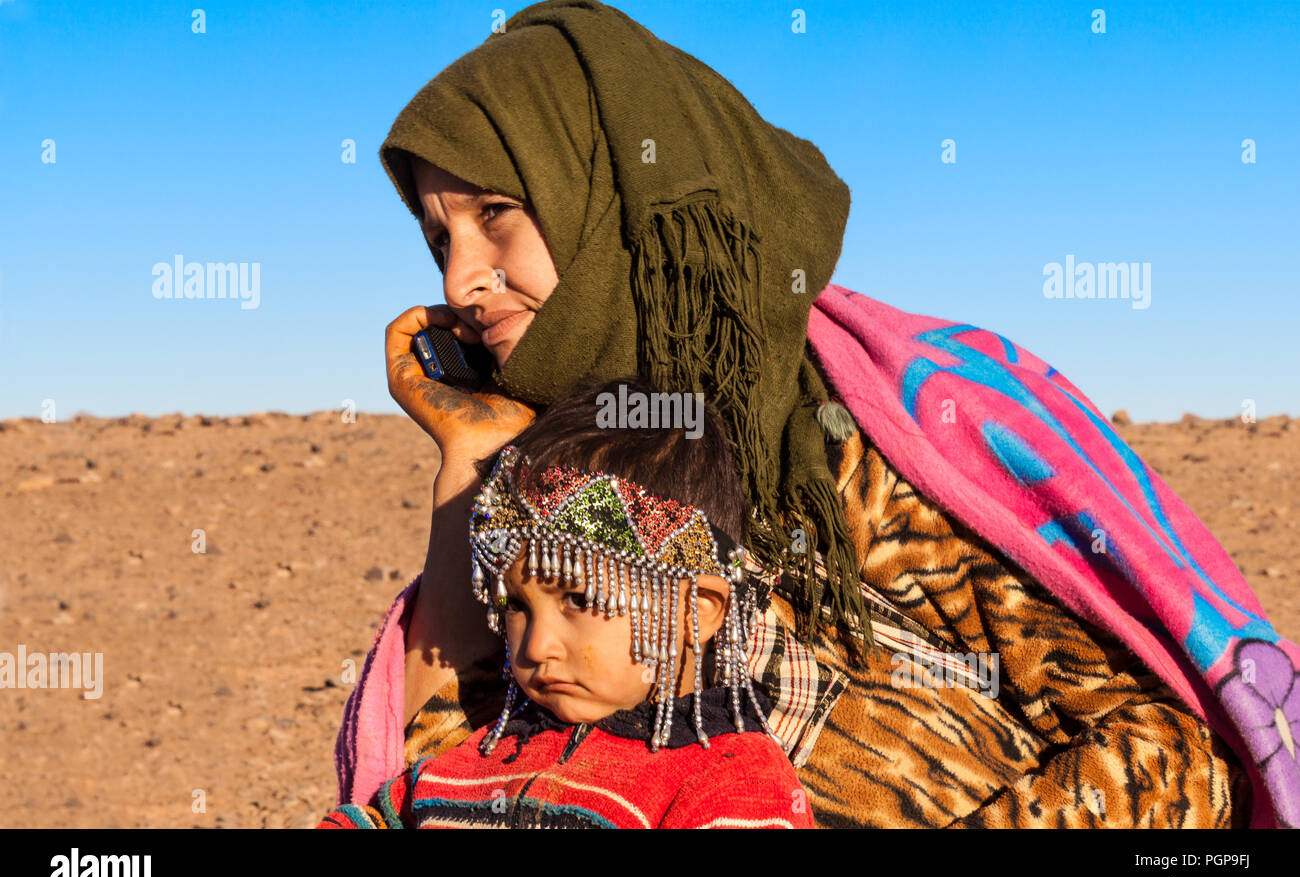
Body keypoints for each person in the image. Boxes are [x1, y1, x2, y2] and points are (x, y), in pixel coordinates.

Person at [335, 0, 1299, 828]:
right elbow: (448, 783)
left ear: (613, 196)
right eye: (438, 237)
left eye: (497, 214)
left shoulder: (864, 440)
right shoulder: (548, 483)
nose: (463, 279)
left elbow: (1172, 761)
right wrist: (468, 460)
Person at [321, 376, 813, 828]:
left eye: (578, 598)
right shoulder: (478, 757)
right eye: (515, 605)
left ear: (698, 609)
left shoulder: (732, 787)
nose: (536, 647)